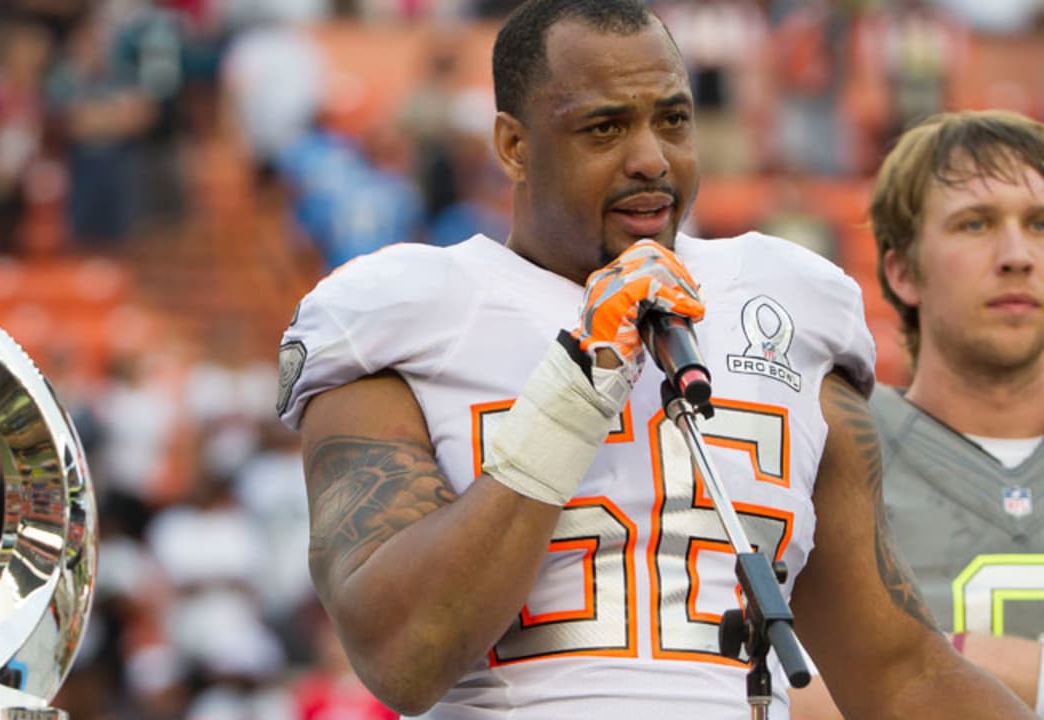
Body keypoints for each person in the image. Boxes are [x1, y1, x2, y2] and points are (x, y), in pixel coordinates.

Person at [275, 2, 1033, 717]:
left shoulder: (790, 305)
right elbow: (404, 658)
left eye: (673, 120)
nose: (651, 159)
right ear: (514, 146)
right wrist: (581, 380)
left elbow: (896, 669)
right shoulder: (398, 314)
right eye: (604, 129)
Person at [789, 111, 1044, 718]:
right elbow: (747, 688)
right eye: (975, 223)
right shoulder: (819, 444)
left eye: (1040, 224)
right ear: (902, 271)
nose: (1016, 255)